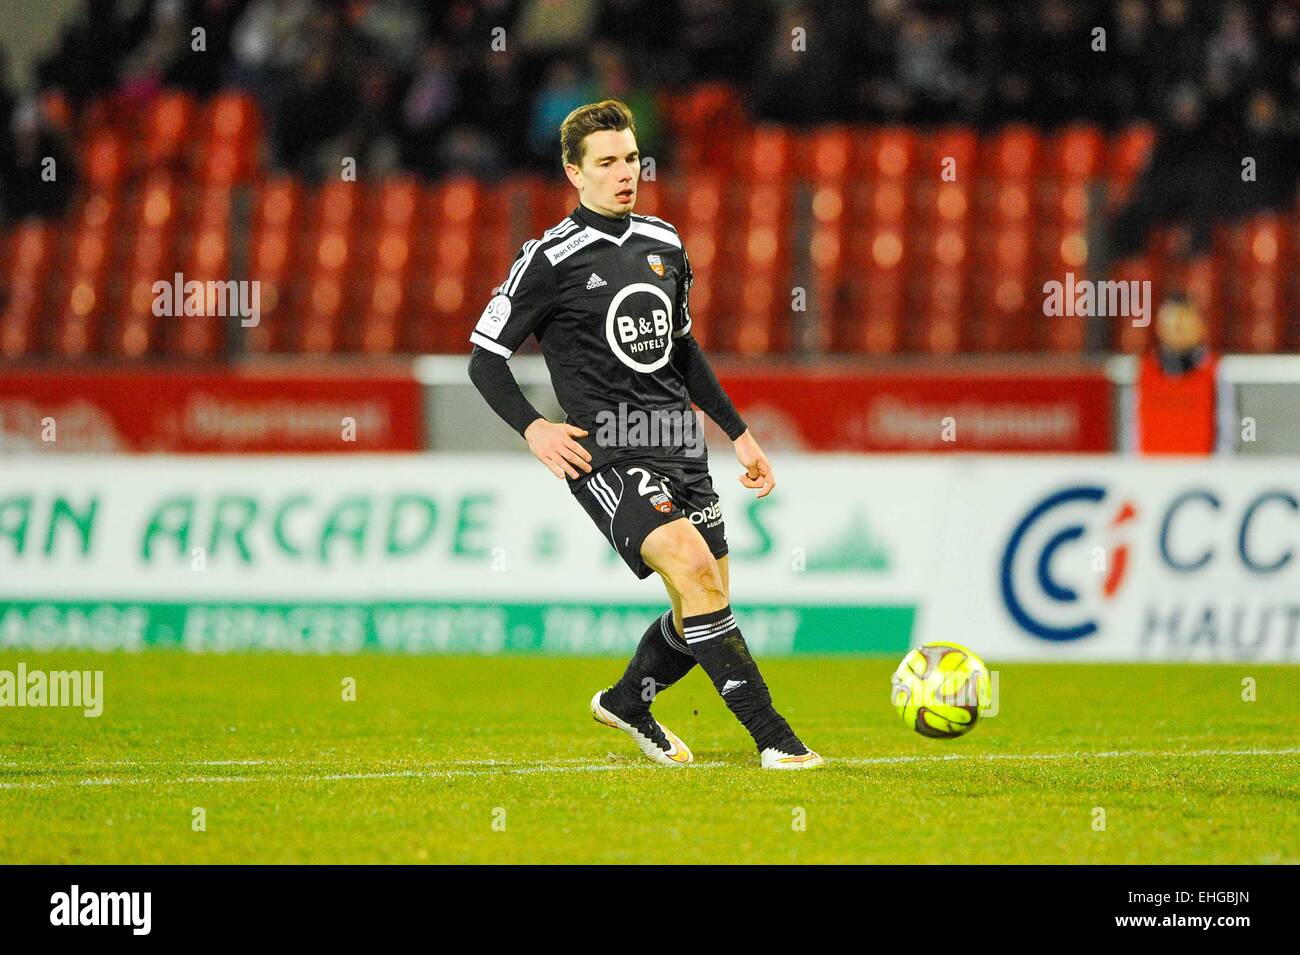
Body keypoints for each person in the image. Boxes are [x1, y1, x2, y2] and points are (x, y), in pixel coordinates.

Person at [467, 99, 822, 769]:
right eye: (607, 162)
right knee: (692, 569)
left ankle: (628, 701)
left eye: (631, 158)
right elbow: (485, 356)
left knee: (704, 606)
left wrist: (738, 432)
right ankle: (777, 740)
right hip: (606, 450)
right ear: (574, 172)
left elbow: (682, 348)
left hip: (679, 445)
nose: (625, 172)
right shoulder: (547, 258)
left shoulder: (664, 242)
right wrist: (534, 427)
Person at [1123, 293, 1235, 455]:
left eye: (1184, 321)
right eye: (1171, 322)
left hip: (1200, 475)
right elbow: (1127, 430)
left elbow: (1229, 430)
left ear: (1200, 326)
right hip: (1148, 474)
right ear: (1159, 327)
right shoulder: (1139, 371)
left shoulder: (1219, 372)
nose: (1177, 328)